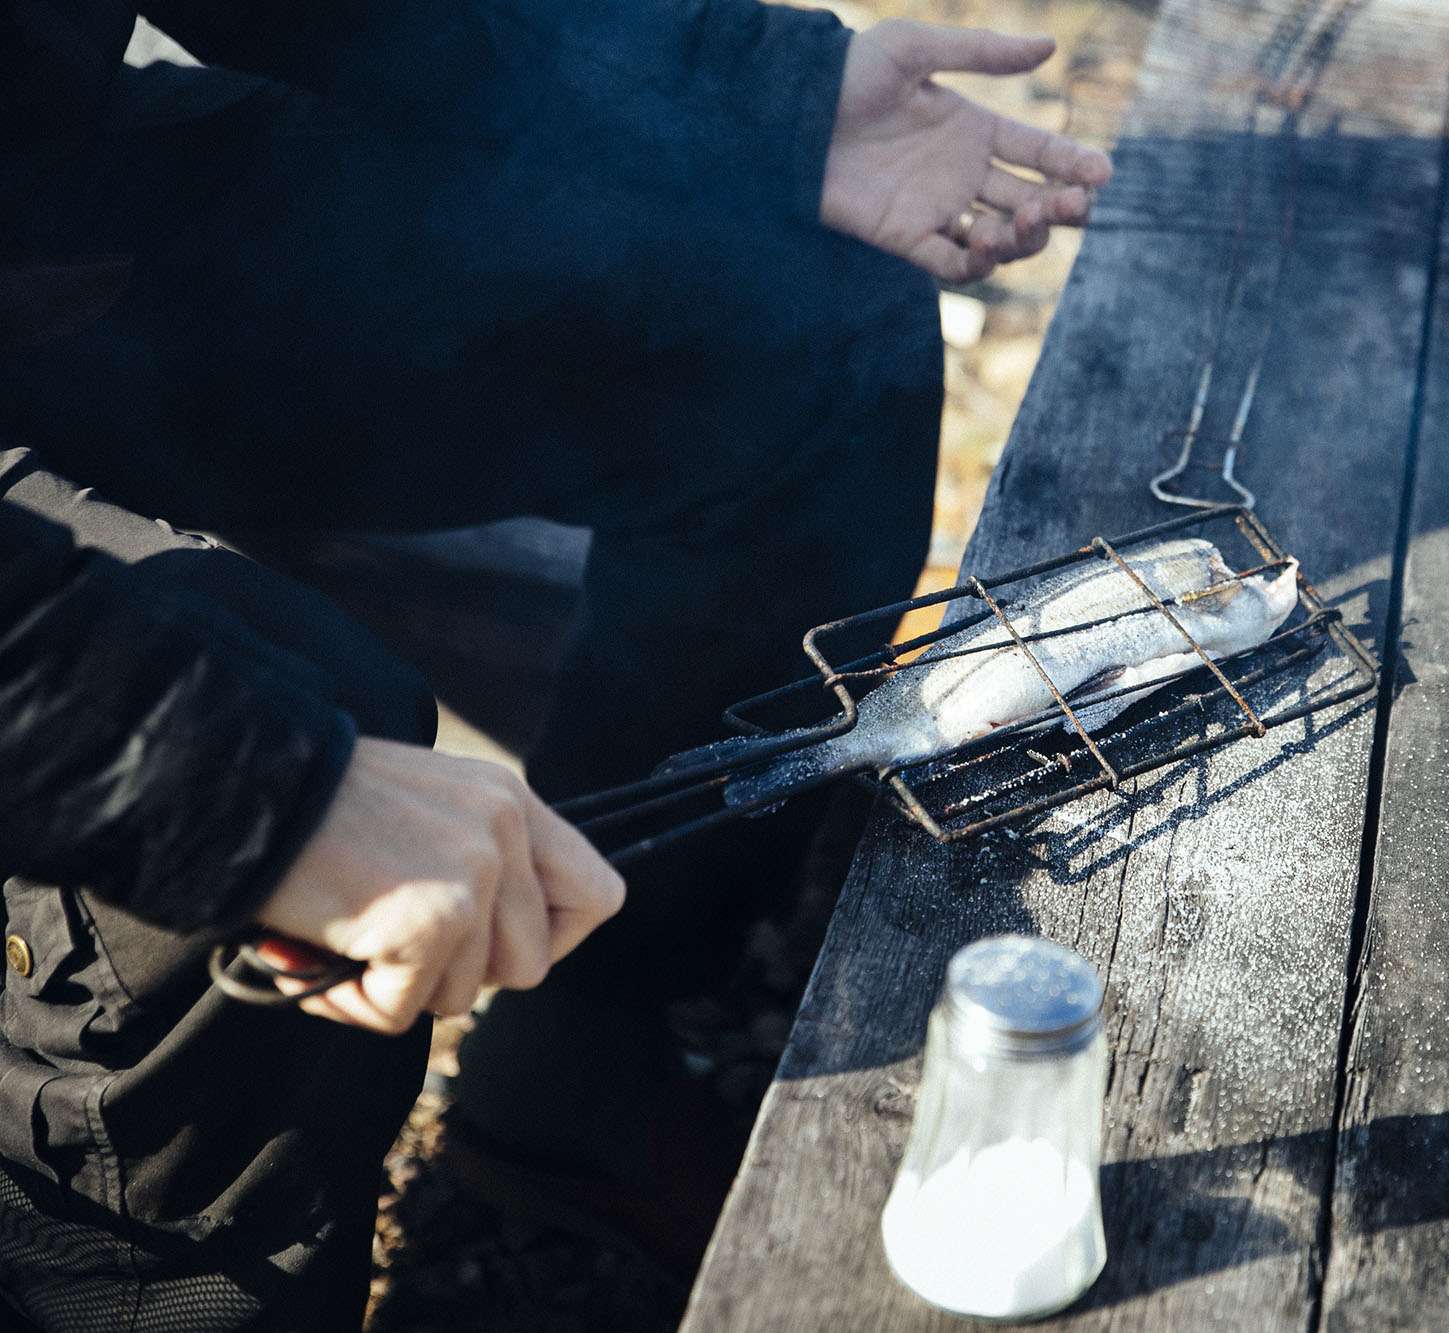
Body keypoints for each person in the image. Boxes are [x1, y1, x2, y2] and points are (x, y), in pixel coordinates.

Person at [0, 0, 1111, 1324]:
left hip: (45, 213)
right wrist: (235, 789)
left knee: (793, 326)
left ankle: (590, 1062)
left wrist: (760, 97)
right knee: (267, 737)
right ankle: (147, 1285)